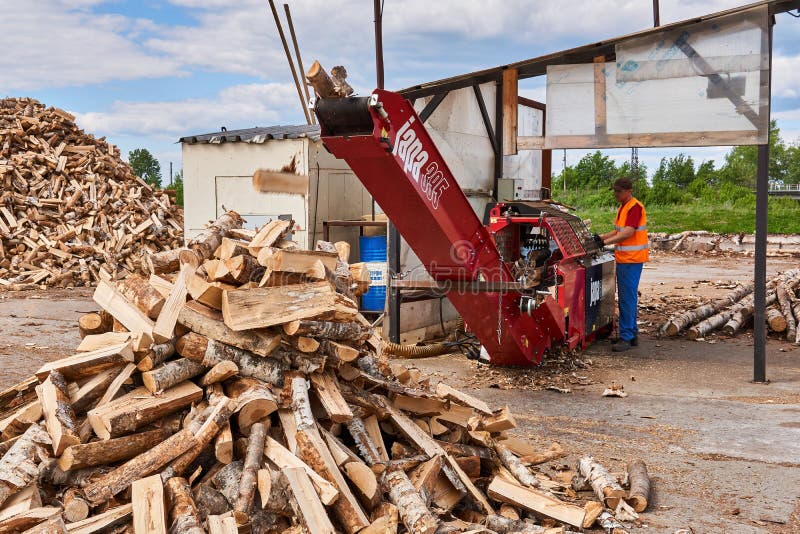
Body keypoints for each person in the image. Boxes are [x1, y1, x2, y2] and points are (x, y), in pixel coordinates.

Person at [598, 177, 648, 352]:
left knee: (627, 300)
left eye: (618, 191)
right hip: (626, 259)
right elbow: (618, 230)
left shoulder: (634, 207)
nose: (615, 194)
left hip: (631, 259)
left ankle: (627, 337)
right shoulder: (624, 207)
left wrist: (605, 243)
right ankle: (631, 334)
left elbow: (628, 232)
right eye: (615, 191)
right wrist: (602, 237)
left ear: (628, 191)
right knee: (628, 298)